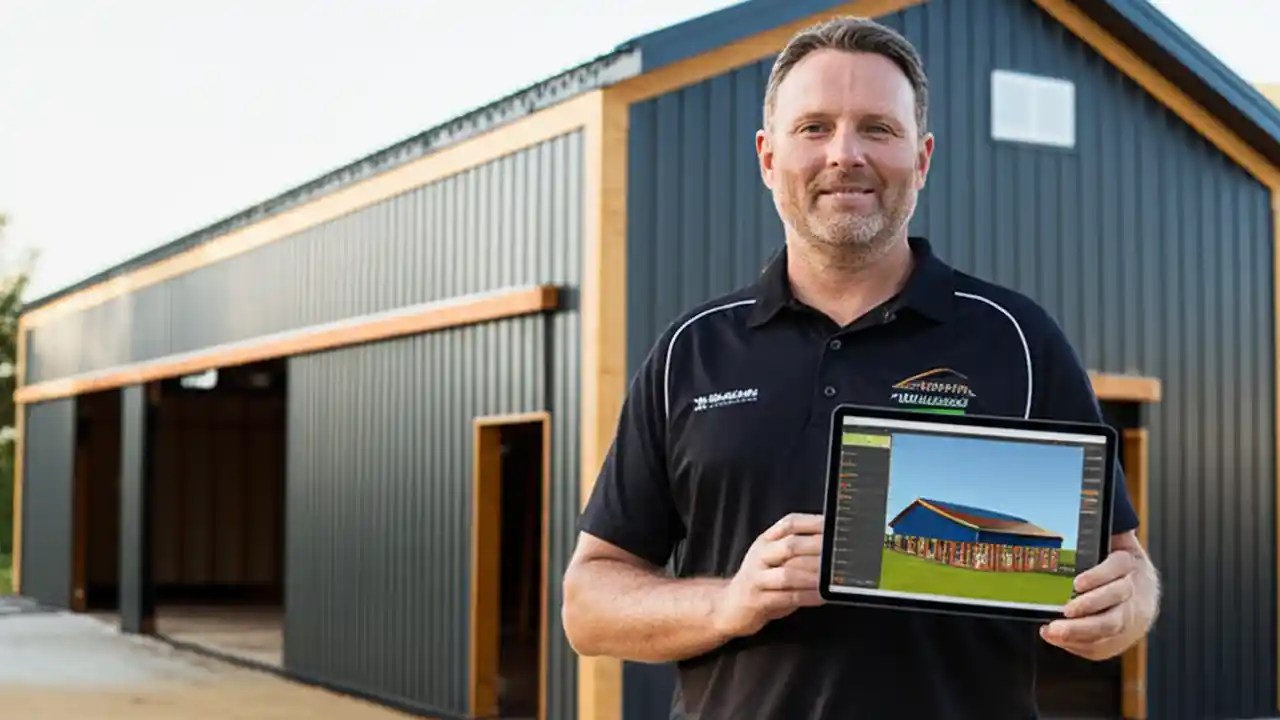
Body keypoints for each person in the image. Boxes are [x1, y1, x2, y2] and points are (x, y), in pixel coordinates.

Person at [562, 15, 1161, 720]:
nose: (845, 154)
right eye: (814, 127)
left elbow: (1126, 565)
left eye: (878, 128)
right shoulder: (691, 353)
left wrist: (1120, 608)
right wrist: (729, 602)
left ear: (922, 158)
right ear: (767, 157)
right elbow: (588, 605)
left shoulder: (1017, 340)